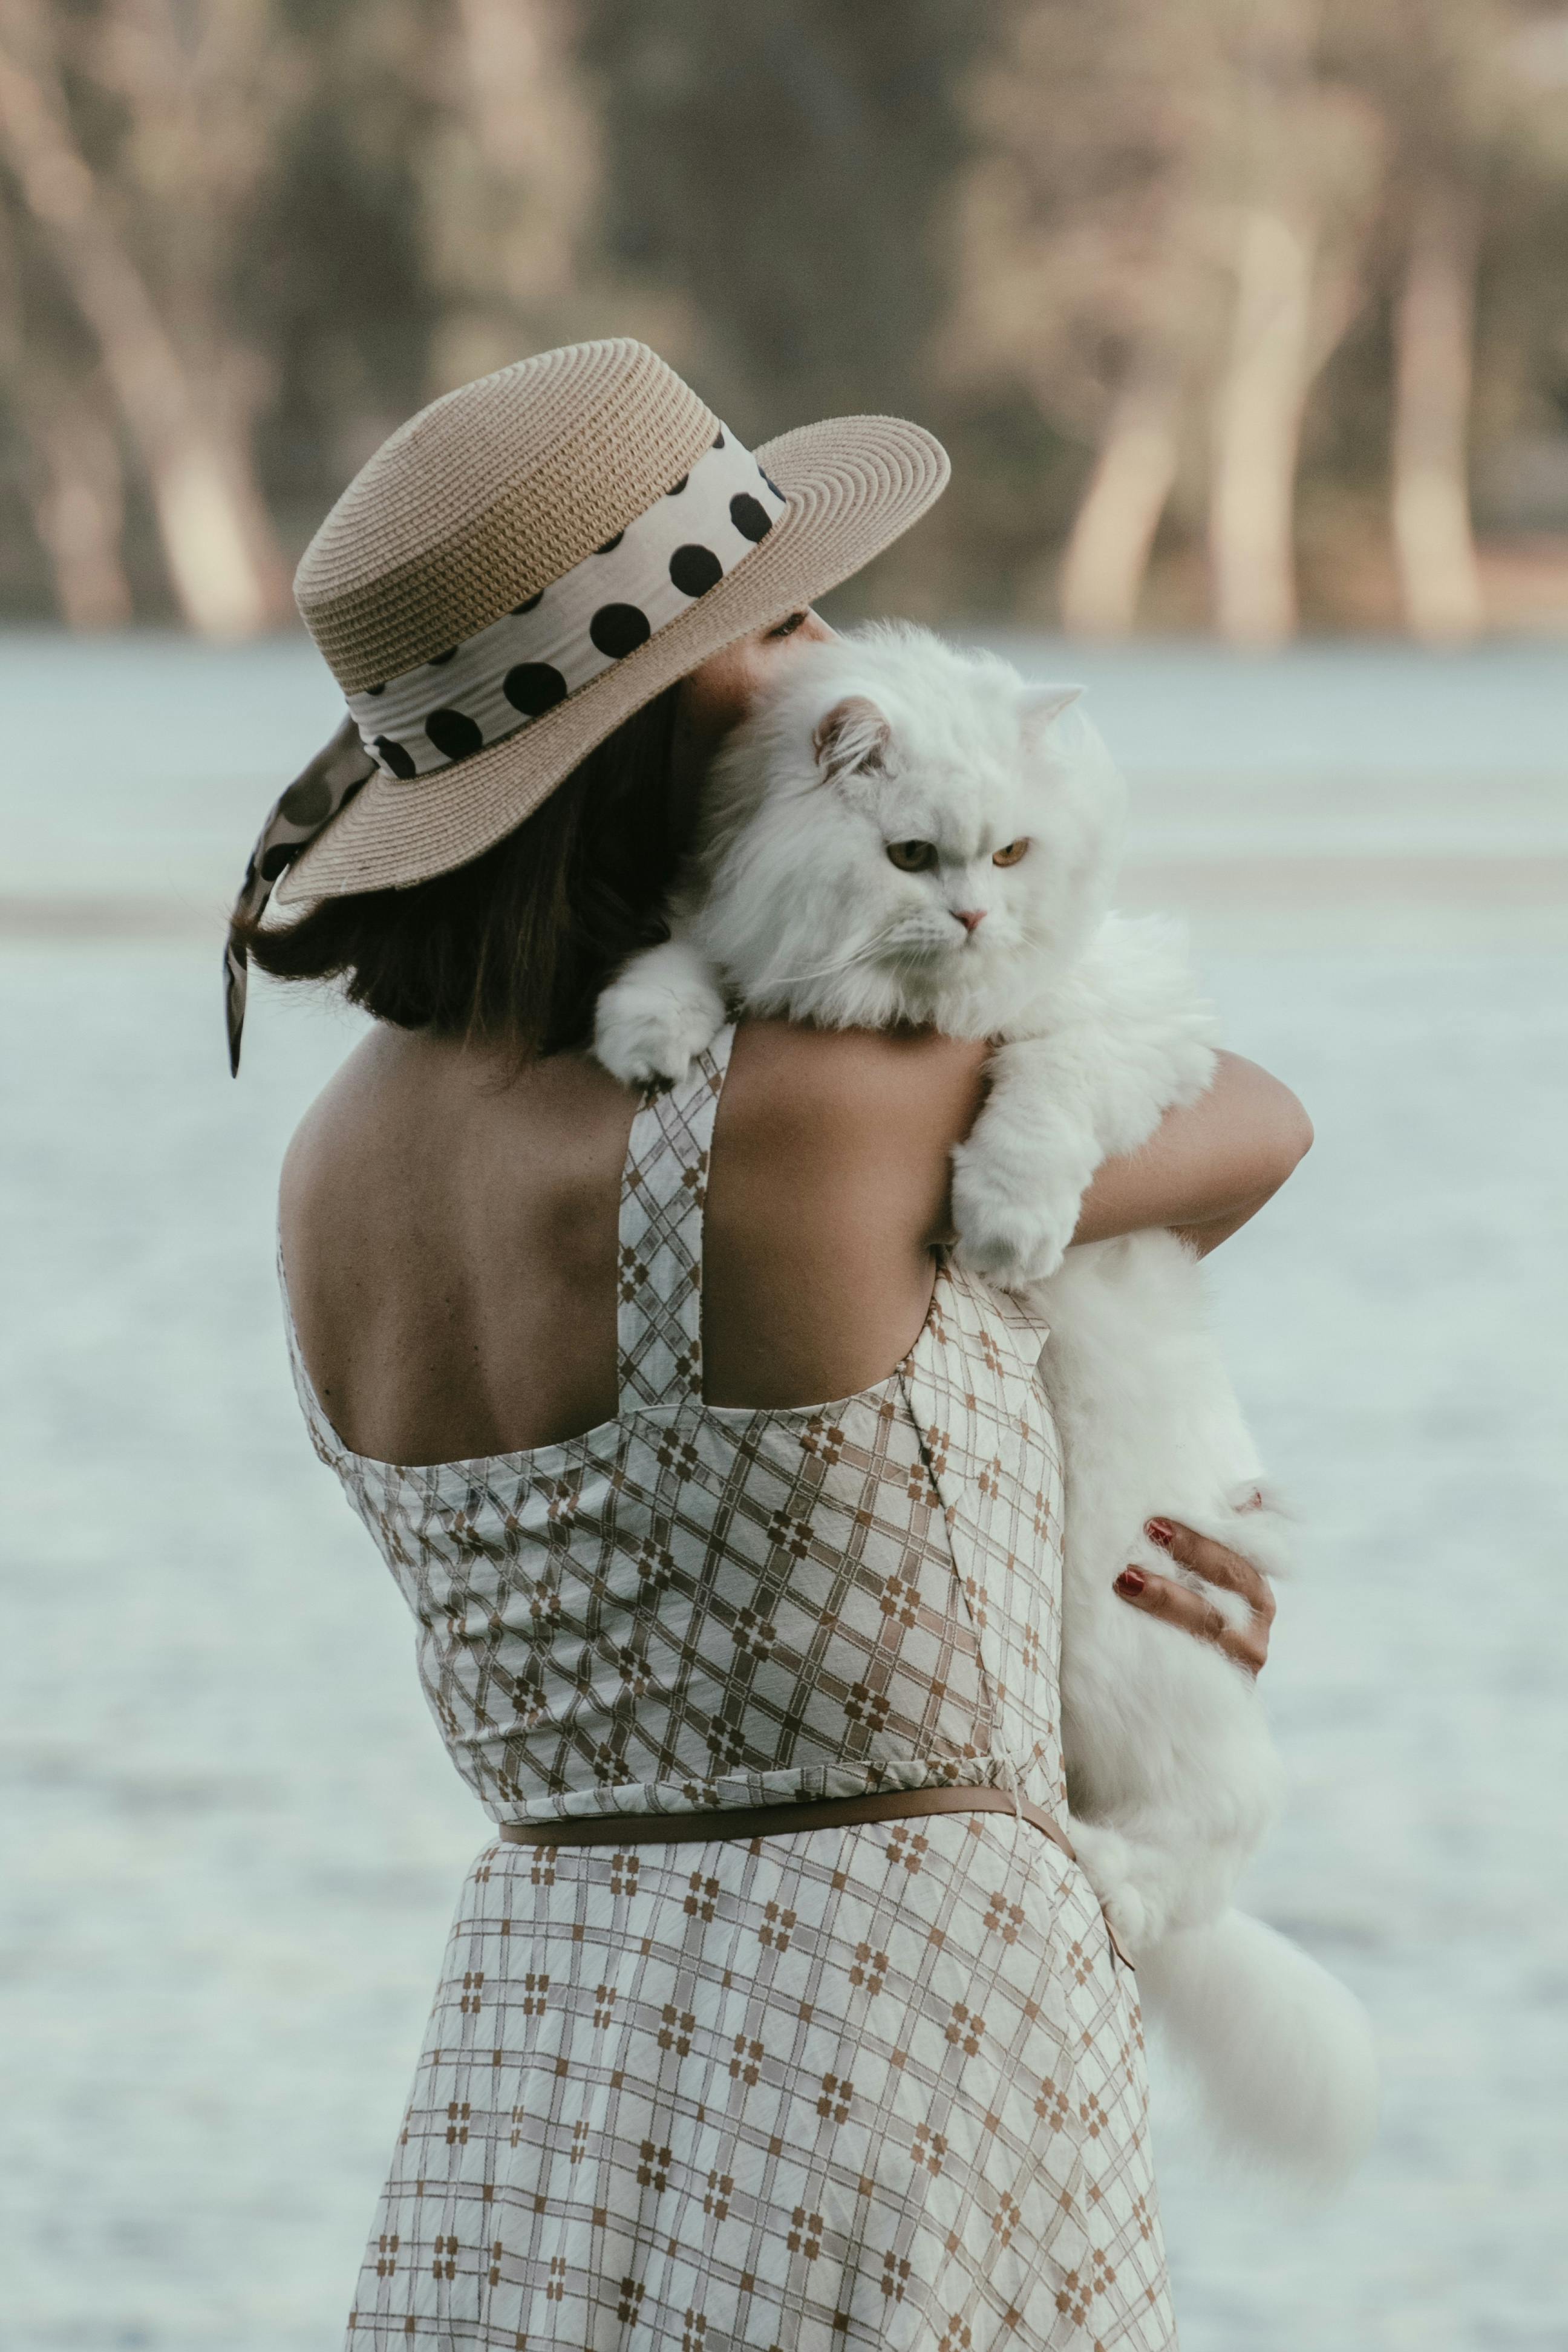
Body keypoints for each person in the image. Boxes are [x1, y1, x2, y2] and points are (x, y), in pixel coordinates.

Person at [229, 341, 1303, 2350]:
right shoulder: (825, 1110)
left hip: (540, 2035)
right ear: (667, 719)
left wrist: (1046, 1518)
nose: (832, 654)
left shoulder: (331, 1166)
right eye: (779, 619)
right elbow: (1256, 1119)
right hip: (905, 2036)